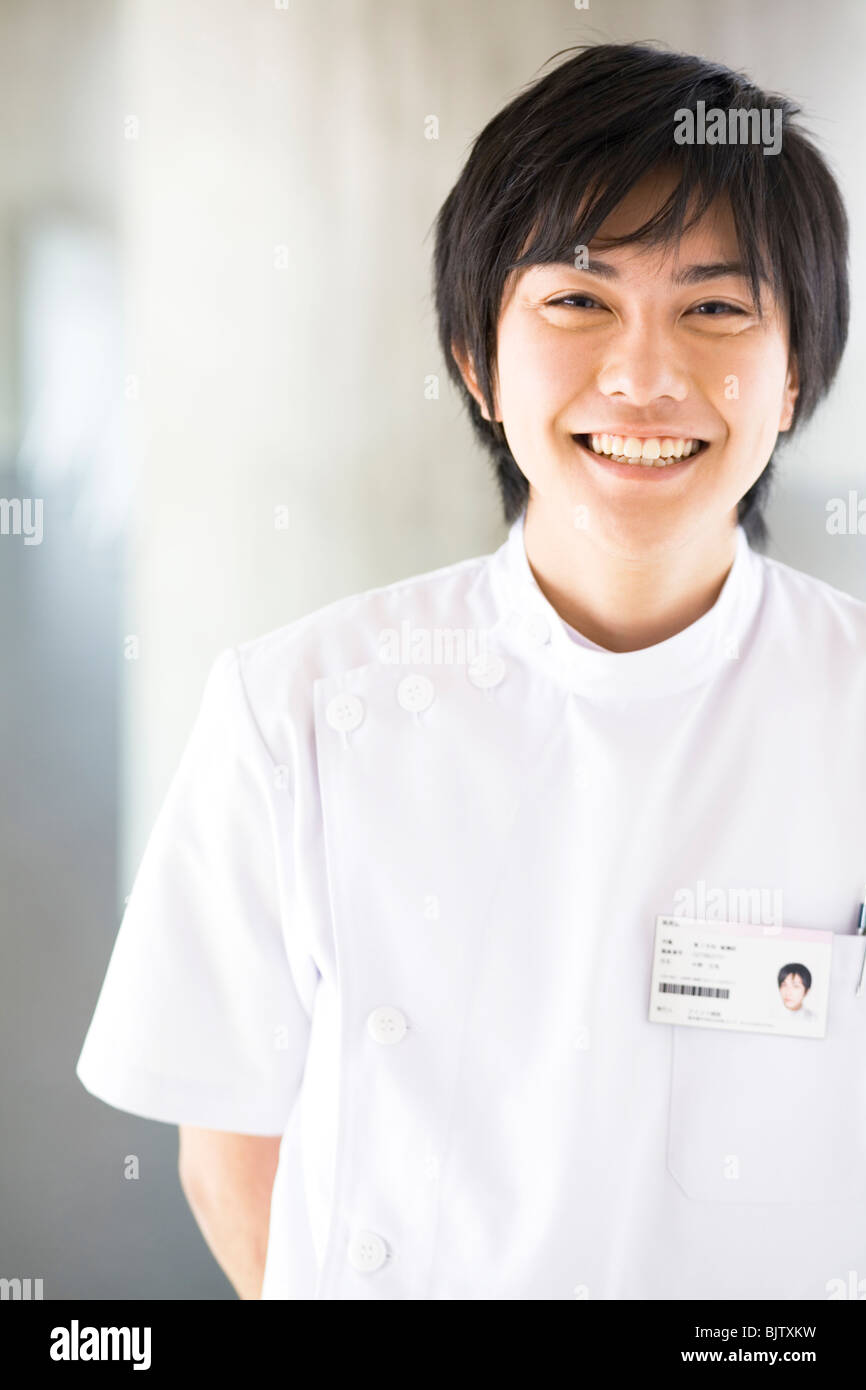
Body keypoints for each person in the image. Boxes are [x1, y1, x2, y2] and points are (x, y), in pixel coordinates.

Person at [76, 42, 866, 1300]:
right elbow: (229, 1150)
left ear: (795, 378)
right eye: (576, 301)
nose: (644, 375)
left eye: (715, 307)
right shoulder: (296, 708)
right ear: (474, 359)